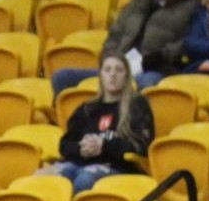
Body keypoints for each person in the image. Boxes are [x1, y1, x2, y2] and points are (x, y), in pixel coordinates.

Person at [51, 0, 193, 93]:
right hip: (120, 66)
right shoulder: (139, 2)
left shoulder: (192, 8)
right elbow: (115, 34)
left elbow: (188, 43)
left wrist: (158, 57)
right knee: (62, 78)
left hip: (155, 69)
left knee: (147, 83)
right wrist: (109, 59)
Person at [43, 54, 153, 192]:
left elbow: (142, 145)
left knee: (84, 179)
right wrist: (80, 149)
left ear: (127, 76)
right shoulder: (87, 108)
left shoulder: (137, 105)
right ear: (100, 75)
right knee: (43, 177)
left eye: (119, 70)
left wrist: (104, 146)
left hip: (117, 167)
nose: (113, 74)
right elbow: (65, 144)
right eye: (107, 70)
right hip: (81, 162)